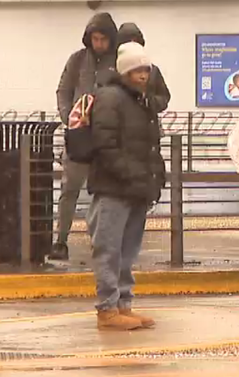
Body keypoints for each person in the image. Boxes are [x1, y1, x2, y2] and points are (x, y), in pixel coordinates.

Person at [87, 42, 167, 331]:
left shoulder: (141, 102)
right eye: (137, 70)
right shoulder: (110, 98)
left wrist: (154, 176)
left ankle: (123, 304)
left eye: (146, 69)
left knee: (127, 251)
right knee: (108, 250)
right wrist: (132, 174)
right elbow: (105, 145)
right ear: (125, 72)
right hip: (113, 188)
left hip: (136, 188)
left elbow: (149, 146)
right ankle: (107, 308)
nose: (143, 75)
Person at [53, 13, 118, 261]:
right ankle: (61, 240)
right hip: (79, 136)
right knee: (69, 189)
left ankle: (100, 241)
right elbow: (63, 90)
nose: (98, 43)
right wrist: (69, 117)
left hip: (105, 138)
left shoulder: (118, 63)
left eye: (103, 39)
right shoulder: (77, 60)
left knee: (102, 192)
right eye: (95, 38)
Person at [116, 23, 171, 113]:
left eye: (135, 42)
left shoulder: (152, 70)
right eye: (128, 42)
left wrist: (149, 102)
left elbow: (164, 97)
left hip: (147, 121)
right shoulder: (113, 70)